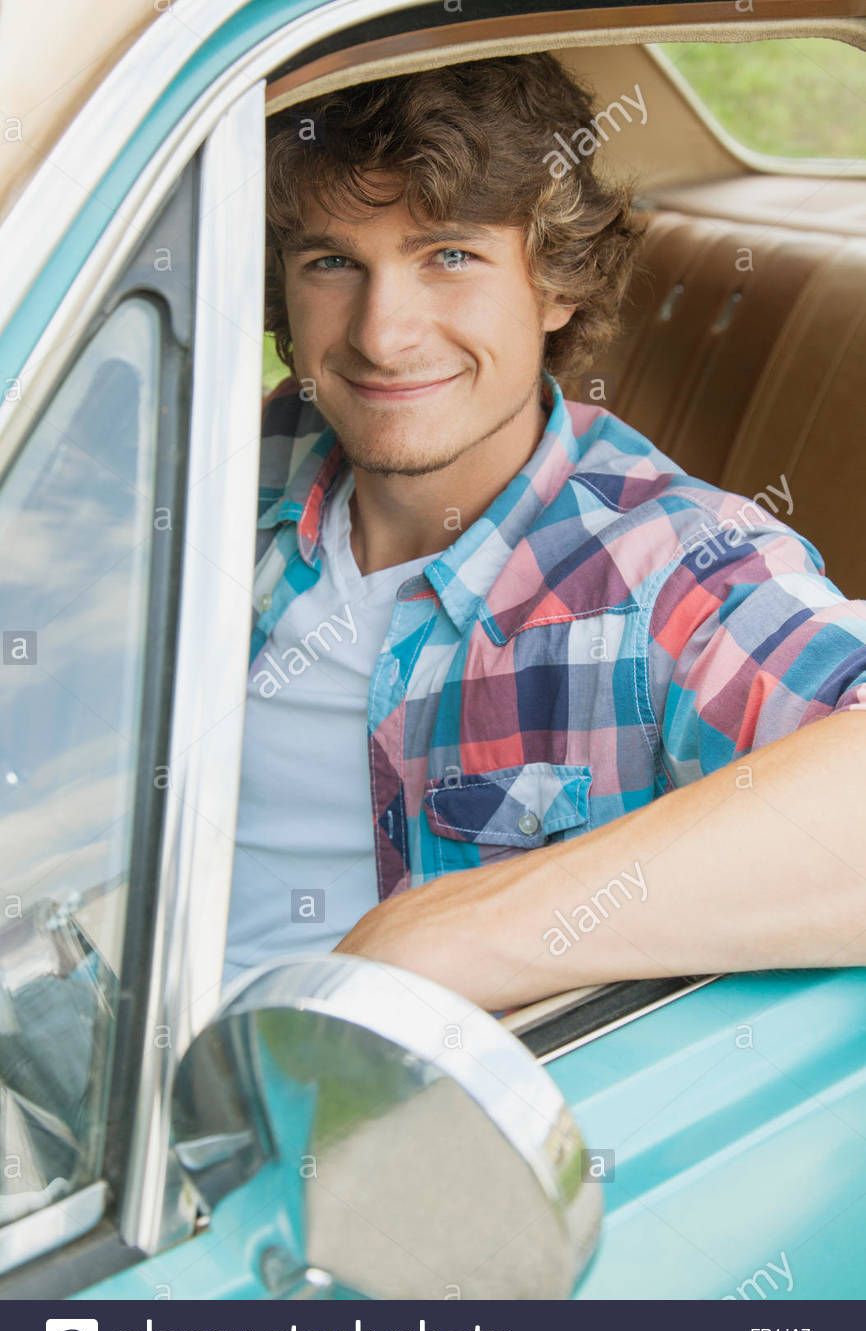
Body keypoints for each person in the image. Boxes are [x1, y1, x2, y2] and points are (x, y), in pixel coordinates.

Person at [222, 52, 866, 1010]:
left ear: (556, 283)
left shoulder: (667, 565)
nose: (381, 334)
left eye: (449, 256)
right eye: (332, 262)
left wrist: (451, 940)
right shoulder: (246, 453)